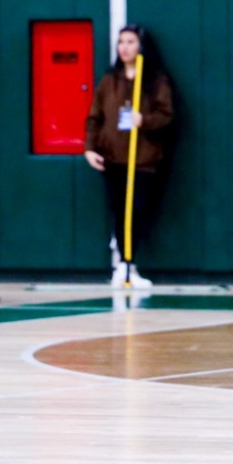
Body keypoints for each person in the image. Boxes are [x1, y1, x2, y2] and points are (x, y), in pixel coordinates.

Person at [84, 25, 175, 289]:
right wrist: (90, 148)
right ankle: (122, 264)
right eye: (121, 42)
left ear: (141, 46)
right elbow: (94, 117)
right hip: (113, 159)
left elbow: (166, 116)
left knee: (136, 212)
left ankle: (129, 263)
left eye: (130, 42)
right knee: (118, 211)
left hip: (142, 160)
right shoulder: (109, 80)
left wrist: (143, 120)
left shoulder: (155, 81)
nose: (124, 47)